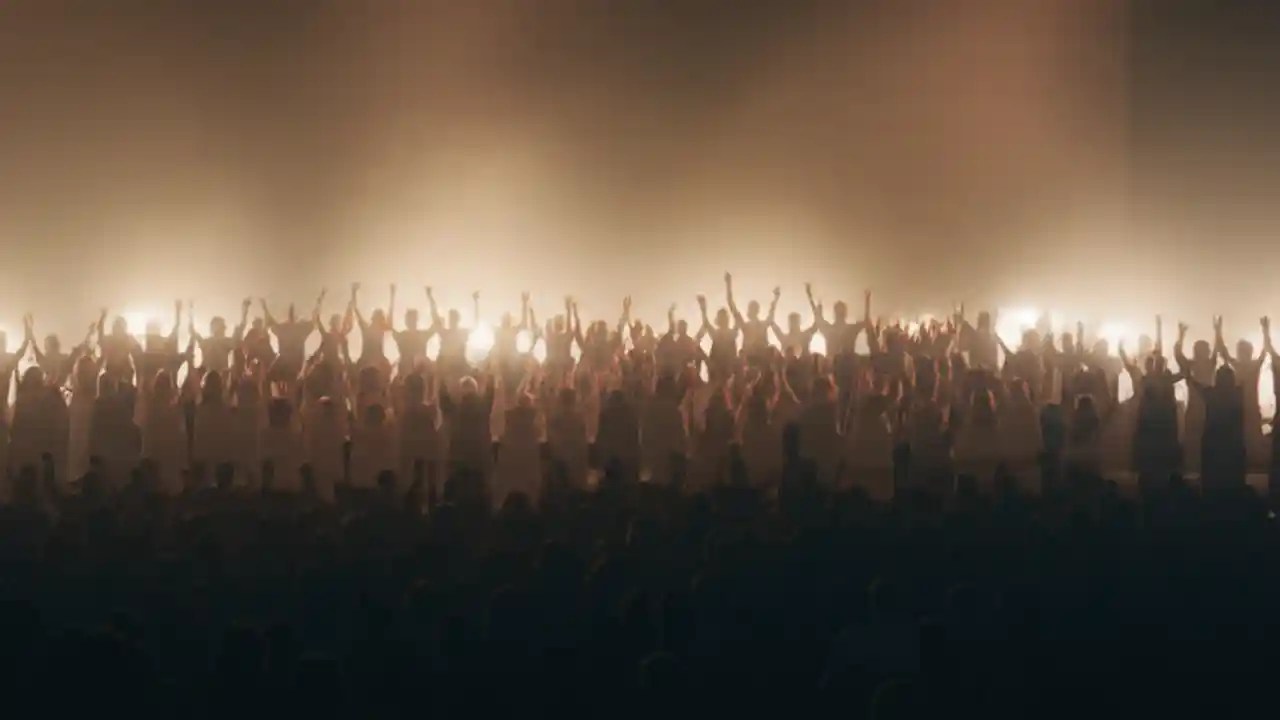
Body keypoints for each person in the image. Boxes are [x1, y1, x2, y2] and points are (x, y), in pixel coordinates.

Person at [261, 290, 322, 376]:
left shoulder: (285, 328)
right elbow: (315, 318)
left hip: (285, 364)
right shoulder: (300, 329)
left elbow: (270, 320)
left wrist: (264, 307)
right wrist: (320, 300)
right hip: (295, 364)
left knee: (270, 377)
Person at [724, 273, 780, 364]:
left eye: (753, 308)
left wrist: (776, 298)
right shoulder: (747, 326)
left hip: (760, 361)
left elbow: (771, 312)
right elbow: (731, 304)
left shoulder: (760, 325)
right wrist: (728, 284)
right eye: (751, 308)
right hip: (749, 361)